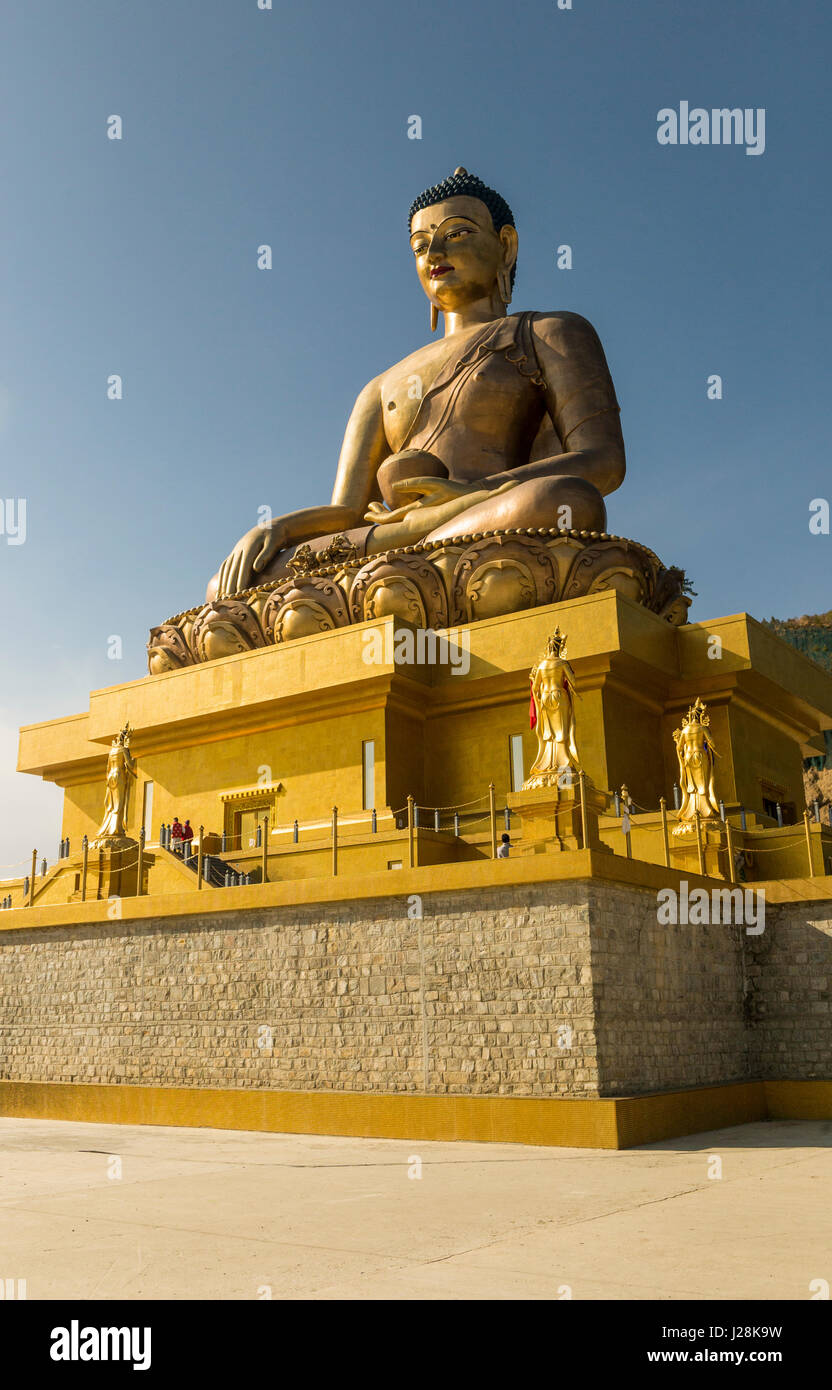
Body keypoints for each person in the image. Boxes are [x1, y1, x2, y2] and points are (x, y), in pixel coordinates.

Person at [207, 167, 624, 600]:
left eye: (457, 234)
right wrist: (278, 528)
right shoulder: (381, 385)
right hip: (397, 537)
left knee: (566, 500)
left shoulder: (549, 332)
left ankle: (400, 577)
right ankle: (410, 573)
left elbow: (602, 461)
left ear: (505, 245)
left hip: (486, 516)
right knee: (233, 583)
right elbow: (349, 511)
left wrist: (468, 494)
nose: (435, 252)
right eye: (420, 245)